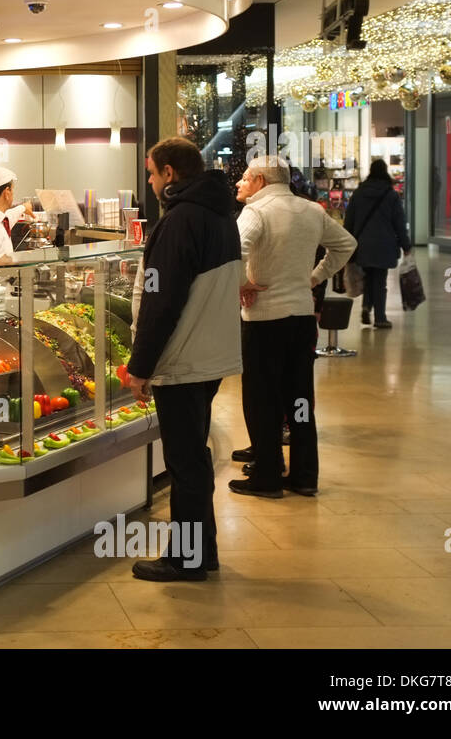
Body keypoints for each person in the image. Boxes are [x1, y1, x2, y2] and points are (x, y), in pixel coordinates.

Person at [127, 137, 242, 582]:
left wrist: (141, 366)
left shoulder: (179, 222)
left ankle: (186, 559)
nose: (151, 182)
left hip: (184, 359)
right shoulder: (220, 215)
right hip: (210, 356)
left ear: (169, 173)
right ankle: (203, 551)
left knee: (185, 463)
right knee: (193, 457)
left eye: (152, 174)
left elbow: (161, 303)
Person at [228, 157, 355, 499]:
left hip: (265, 320)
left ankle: (267, 476)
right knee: (299, 398)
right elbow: (346, 245)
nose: (241, 182)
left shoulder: (256, 212)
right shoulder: (311, 210)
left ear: (259, 180)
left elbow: (235, 248)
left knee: (261, 398)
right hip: (301, 318)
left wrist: (243, 284)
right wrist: (312, 278)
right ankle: (304, 475)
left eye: (244, 177)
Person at [343, 159, 411, 329]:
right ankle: (380, 317)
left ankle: (366, 307)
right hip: (385, 245)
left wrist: (346, 245)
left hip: (363, 245)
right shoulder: (391, 195)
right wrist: (406, 246)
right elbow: (399, 224)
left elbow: (349, 221)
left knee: (368, 278)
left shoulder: (358, 193)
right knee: (379, 281)